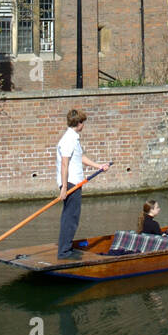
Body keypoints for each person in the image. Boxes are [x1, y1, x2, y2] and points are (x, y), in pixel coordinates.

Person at [56, 108, 109, 259]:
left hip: (74, 183)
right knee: (70, 218)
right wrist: (64, 188)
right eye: (83, 122)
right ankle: (64, 252)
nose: (83, 125)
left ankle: (65, 248)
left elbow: (80, 157)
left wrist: (99, 166)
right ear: (78, 123)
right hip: (71, 183)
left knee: (71, 216)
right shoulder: (68, 140)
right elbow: (64, 164)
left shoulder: (73, 139)